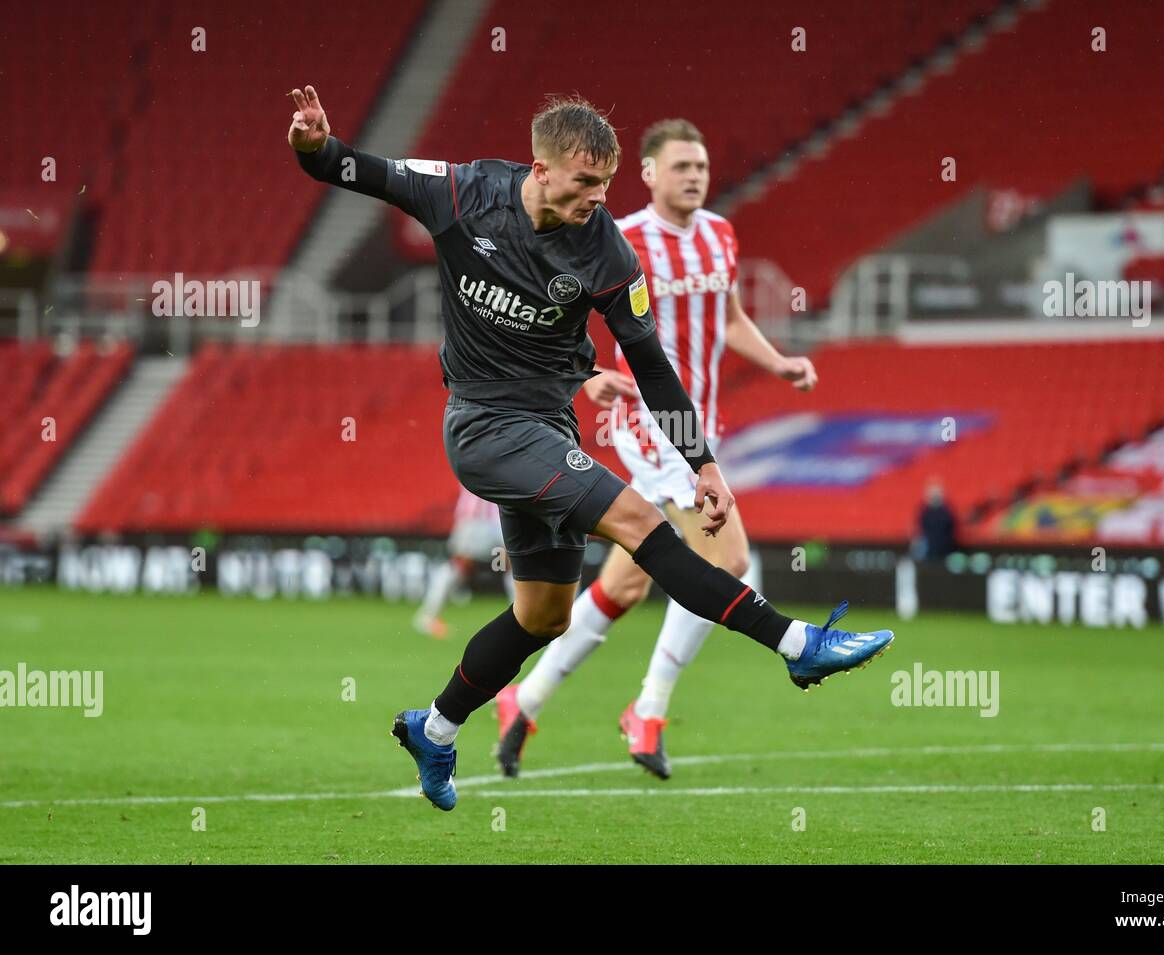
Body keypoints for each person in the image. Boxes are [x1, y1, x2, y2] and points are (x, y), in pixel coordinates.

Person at [289, 86, 895, 811]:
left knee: (544, 616)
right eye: (583, 183)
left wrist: (702, 462)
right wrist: (314, 146)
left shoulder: (606, 247)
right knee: (642, 523)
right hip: (482, 426)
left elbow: (652, 364)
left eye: (604, 186)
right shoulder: (463, 190)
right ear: (540, 168)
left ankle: (437, 728)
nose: (595, 199)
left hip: (549, 431)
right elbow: (358, 169)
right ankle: (797, 645)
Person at [496, 119, 820, 780]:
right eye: (680, 167)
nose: (694, 176)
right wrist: (587, 376)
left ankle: (522, 698)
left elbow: (727, 319)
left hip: (699, 428)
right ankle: (648, 708)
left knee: (629, 577)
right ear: (647, 174)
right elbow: (557, 314)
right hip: (645, 421)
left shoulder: (722, 235)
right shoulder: (622, 238)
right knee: (728, 557)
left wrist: (779, 361)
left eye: (701, 166)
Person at [413, 488, 513, 638]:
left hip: (494, 519)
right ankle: (428, 615)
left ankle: (519, 617)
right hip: (477, 519)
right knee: (461, 564)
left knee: (511, 564)